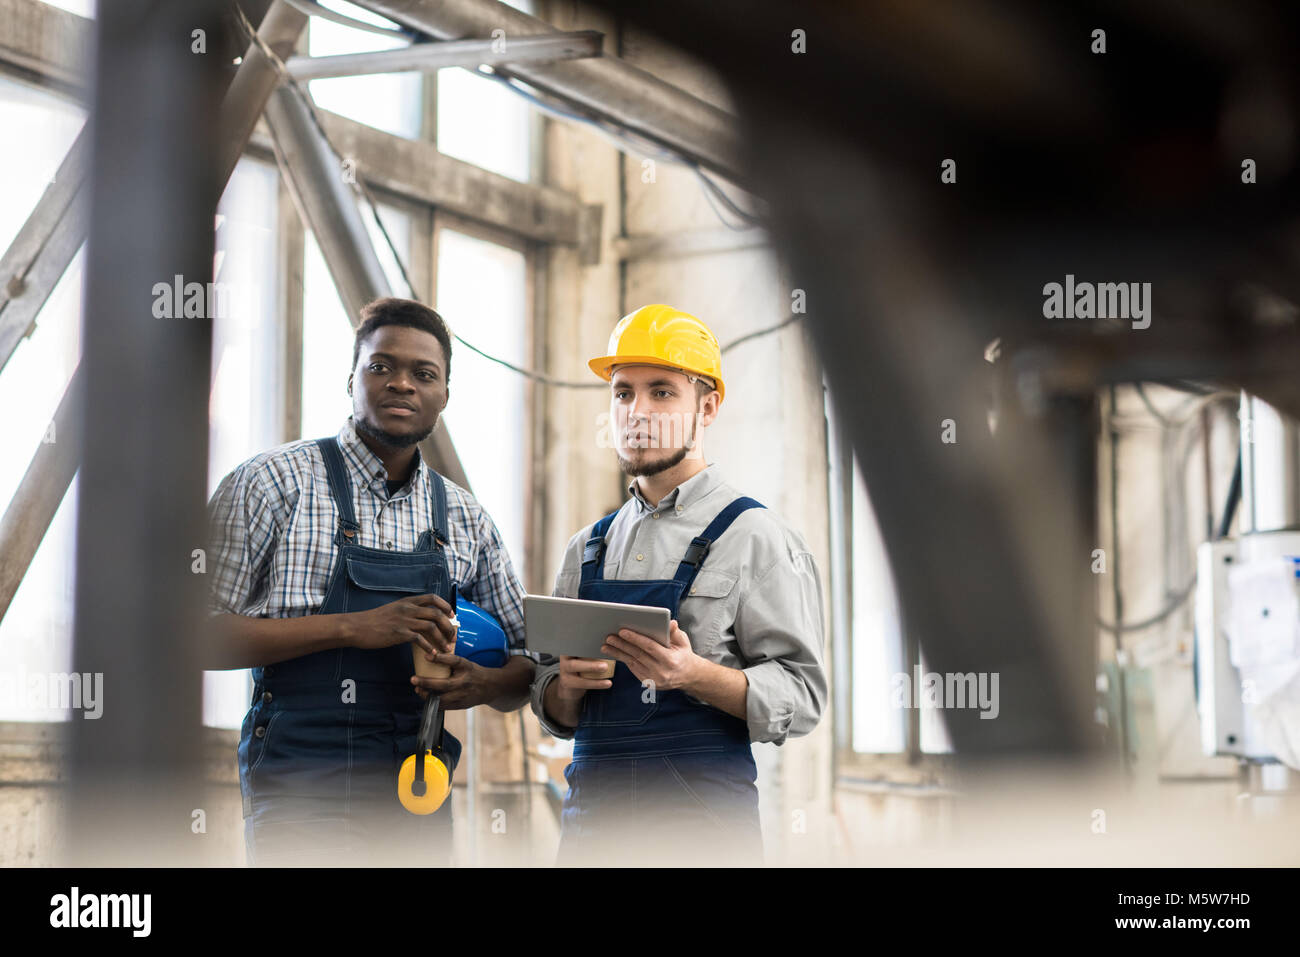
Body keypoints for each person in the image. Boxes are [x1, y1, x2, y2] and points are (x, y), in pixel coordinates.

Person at [205, 296, 535, 866]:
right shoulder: (271, 484)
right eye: (381, 366)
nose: (401, 384)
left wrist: (483, 686)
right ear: (351, 381)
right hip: (301, 773)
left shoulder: (466, 520)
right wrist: (353, 627)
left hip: (416, 776)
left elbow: (529, 668)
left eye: (423, 374)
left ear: (444, 397)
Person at [530, 303, 827, 866]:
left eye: (662, 392)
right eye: (623, 393)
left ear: (708, 406)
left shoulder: (756, 537)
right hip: (592, 829)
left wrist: (694, 676)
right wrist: (566, 687)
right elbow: (551, 700)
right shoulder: (585, 549)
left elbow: (803, 697)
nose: (638, 412)